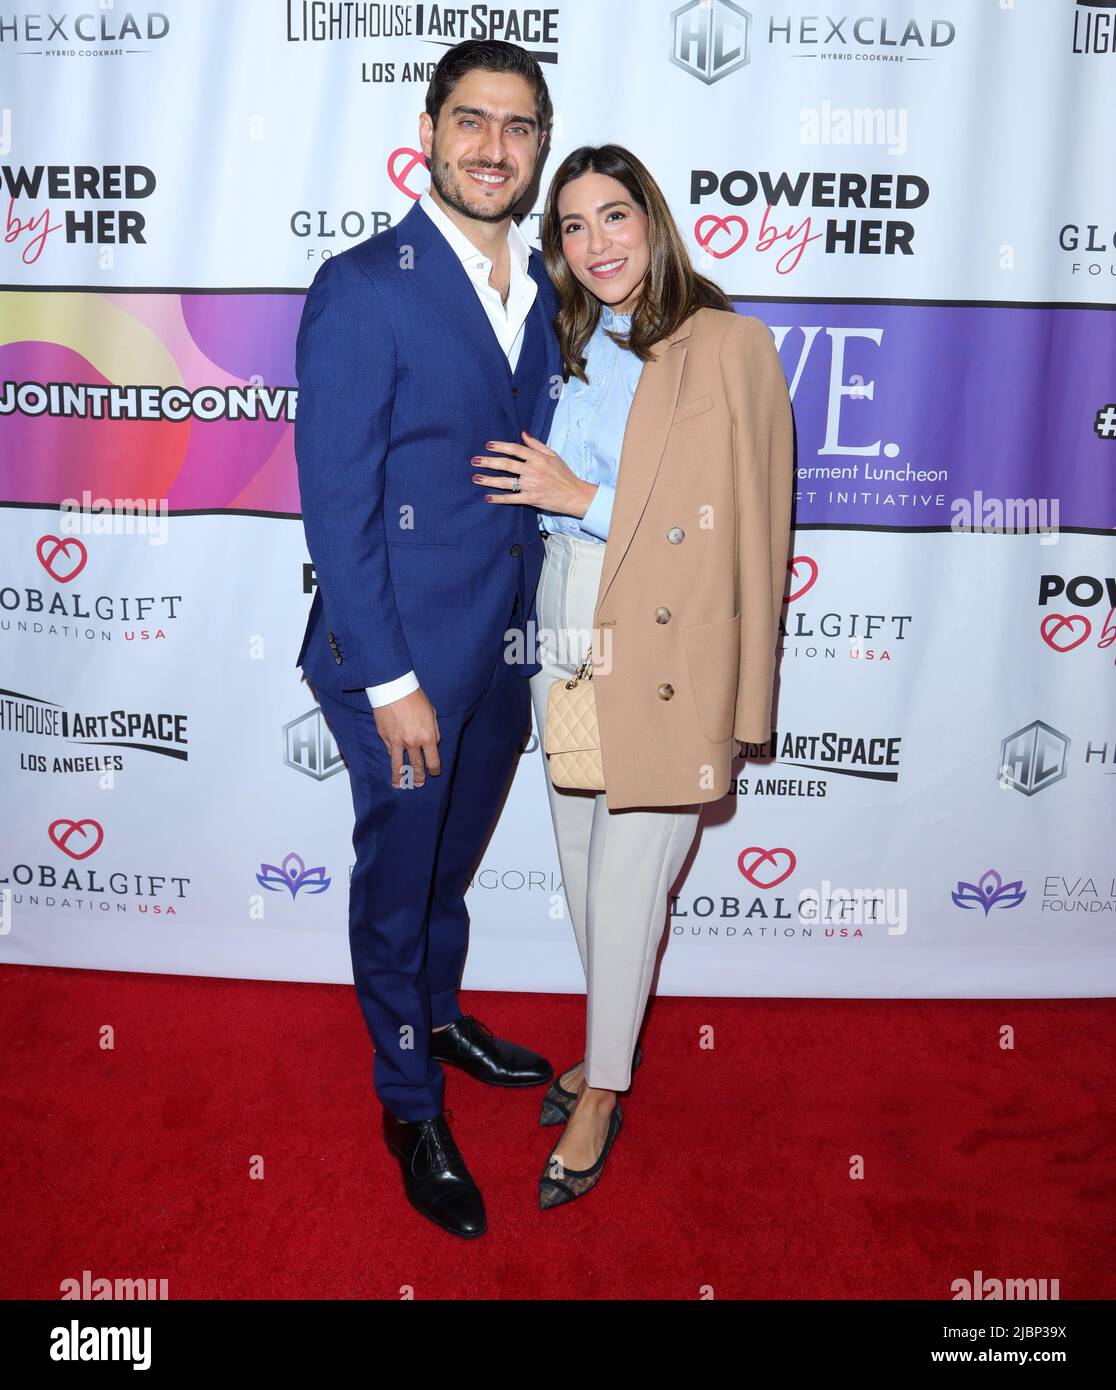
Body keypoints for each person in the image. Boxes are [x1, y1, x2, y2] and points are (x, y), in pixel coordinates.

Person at [471, 144, 795, 1207]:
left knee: (625, 886)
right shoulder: (563, 338)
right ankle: (614, 1042)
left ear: (652, 221)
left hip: (669, 650)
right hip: (563, 633)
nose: (596, 243)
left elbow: (739, 531)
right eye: (572, 226)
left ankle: (603, 1088)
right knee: (583, 879)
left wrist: (581, 498)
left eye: (614, 216)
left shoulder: (730, 346)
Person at [292, 40, 563, 1240]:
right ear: (430, 127)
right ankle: (409, 1100)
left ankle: (439, 1014)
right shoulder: (367, 285)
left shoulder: (549, 287)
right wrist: (396, 682)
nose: (493, 147)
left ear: (539, 146)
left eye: (517, 127)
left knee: (449, 865)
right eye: (472, 121)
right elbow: (336, 507)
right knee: (400, 883)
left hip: (501, 650)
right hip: (396, 664)